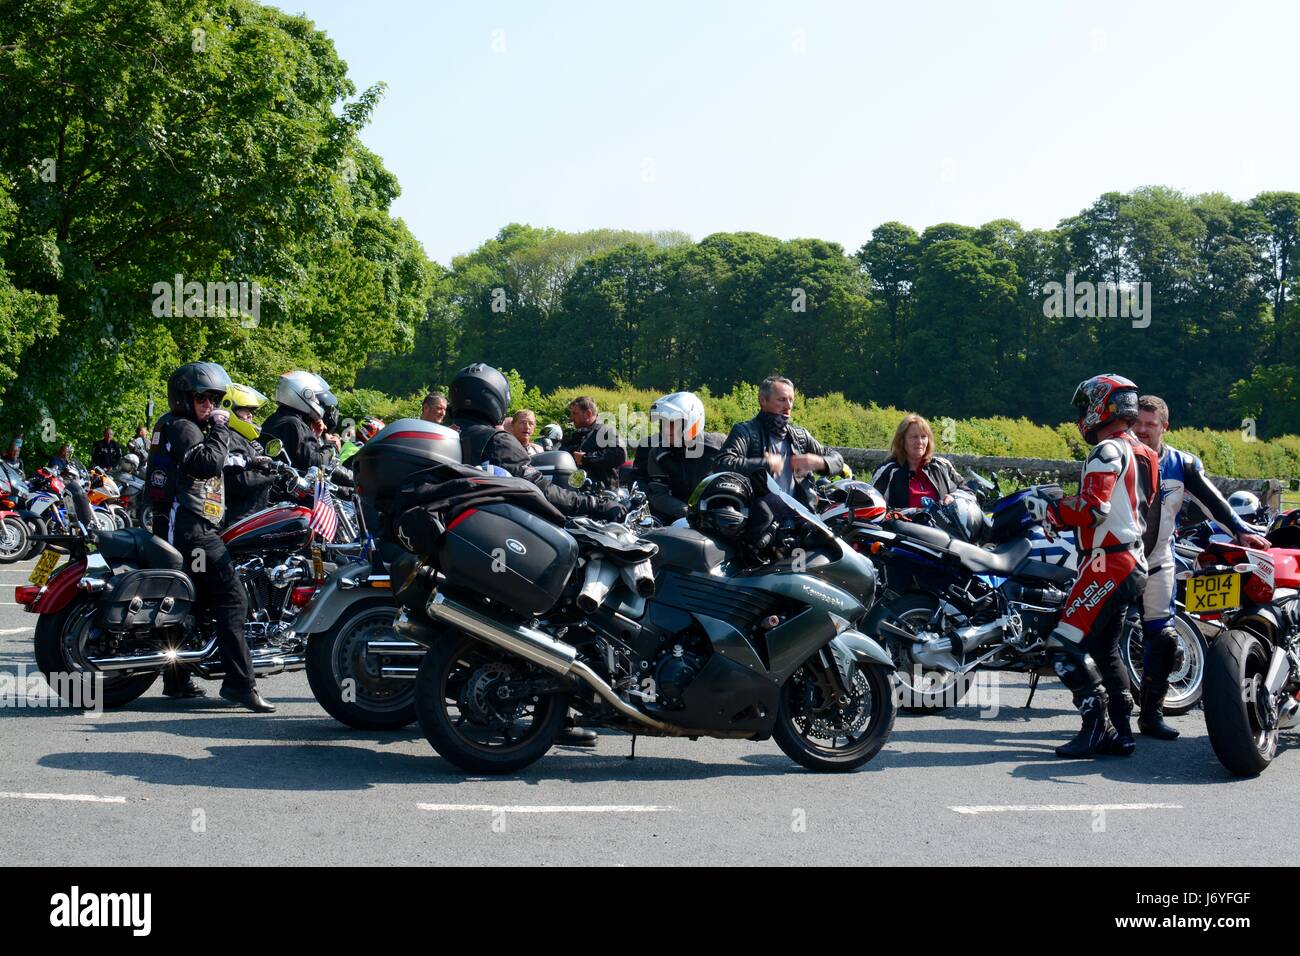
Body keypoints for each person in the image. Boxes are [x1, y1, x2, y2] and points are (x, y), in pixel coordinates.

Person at [449, 364, 623, 747]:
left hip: (471, 546)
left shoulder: (449, 437)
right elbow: (541, 491)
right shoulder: (497, 441)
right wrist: (593, 503)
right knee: (560, 614)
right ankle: (556, 715)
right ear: (493, 399)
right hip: (508, 544)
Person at [1025, 373, 1159, 758]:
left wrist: (1050, 509)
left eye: (1086, 406)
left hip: (1108, 562)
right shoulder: (1145, 452)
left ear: (1103, 406)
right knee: (1105, 648)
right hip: (1131, 559)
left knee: (1062, 646)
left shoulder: (1107, 451)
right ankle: (1122, 731)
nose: (1082, 415)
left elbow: (1092, 508)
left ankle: (1095, 725)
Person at [1130, 394, 1271, 740]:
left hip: (1159, 558)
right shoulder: (1119, 456)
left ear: (1165, 426)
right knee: (1103, 636)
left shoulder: (1182, 464)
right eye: (1139, 423)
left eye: (1151, 424)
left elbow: (1214, 502)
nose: (1144, 430)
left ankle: (1151, 715)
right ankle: (1106, 719)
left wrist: (1241, 530)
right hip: (1118, 559)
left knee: (1162, 639)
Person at [145, 362, 272, 712]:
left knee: (195, 601)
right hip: (189, 529)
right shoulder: (184, 426)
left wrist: (251, 465)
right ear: (184, 397)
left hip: (182, 524)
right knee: (233, 598)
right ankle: (239, 684)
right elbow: (204, 463)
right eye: (202, 397)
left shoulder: (177, 426)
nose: (209, 404)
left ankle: (177, 677)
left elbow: (210, 464)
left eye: (215, 398)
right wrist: (220, 429)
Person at [715, 375, 844, 510]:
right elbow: (722, 463)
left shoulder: (800, 436)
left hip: (800, 518)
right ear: (763, 400)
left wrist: (819, 462)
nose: (788, 406)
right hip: (760, 518)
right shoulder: (745, 431)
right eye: (782, 400)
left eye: (791, 400)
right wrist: (765, 464)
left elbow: (838, 461)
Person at [630, 391, 725, 524]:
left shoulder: (718, 445)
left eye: (673, 423)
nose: (667, 430)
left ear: (692, 422)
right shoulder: (658, 454)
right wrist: (687, 512)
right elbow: (658, 495)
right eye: (664, 423)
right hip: (676, 522)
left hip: (718, 519)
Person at [871, 414, 962, 509]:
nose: (920, 442)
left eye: (923, 437)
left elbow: (968, 492)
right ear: (902, 440)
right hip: (902, 523)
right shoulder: (888, 471)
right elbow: (871, 503)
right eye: (914, 437)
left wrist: (953, 497)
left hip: (940, 524)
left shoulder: (942, 466)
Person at [221, 383, 278, 526]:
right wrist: (270, 474)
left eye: (250, 410)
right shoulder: (230, 438)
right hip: (238, 518)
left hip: (251, 515)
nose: (250, 415)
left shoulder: (244, 439)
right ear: (229, 409)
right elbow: (234, 481)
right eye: (244, 410)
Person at [262, 370, 341, 471]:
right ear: (306, 395)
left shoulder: (276, 418)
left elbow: (300, 457)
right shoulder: (294, 424)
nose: (319, 402)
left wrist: (314, 437)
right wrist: (332, 447)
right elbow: (314, 464)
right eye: (317, 397)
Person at [562, 396, 627, 490]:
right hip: (577, 493)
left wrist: (586, 458)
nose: (571, 417)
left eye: (574, 413)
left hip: (602, 495)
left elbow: (620, 454)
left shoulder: (607, 431)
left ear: (588, 413)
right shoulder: (576, 434)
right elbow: (562, 453)